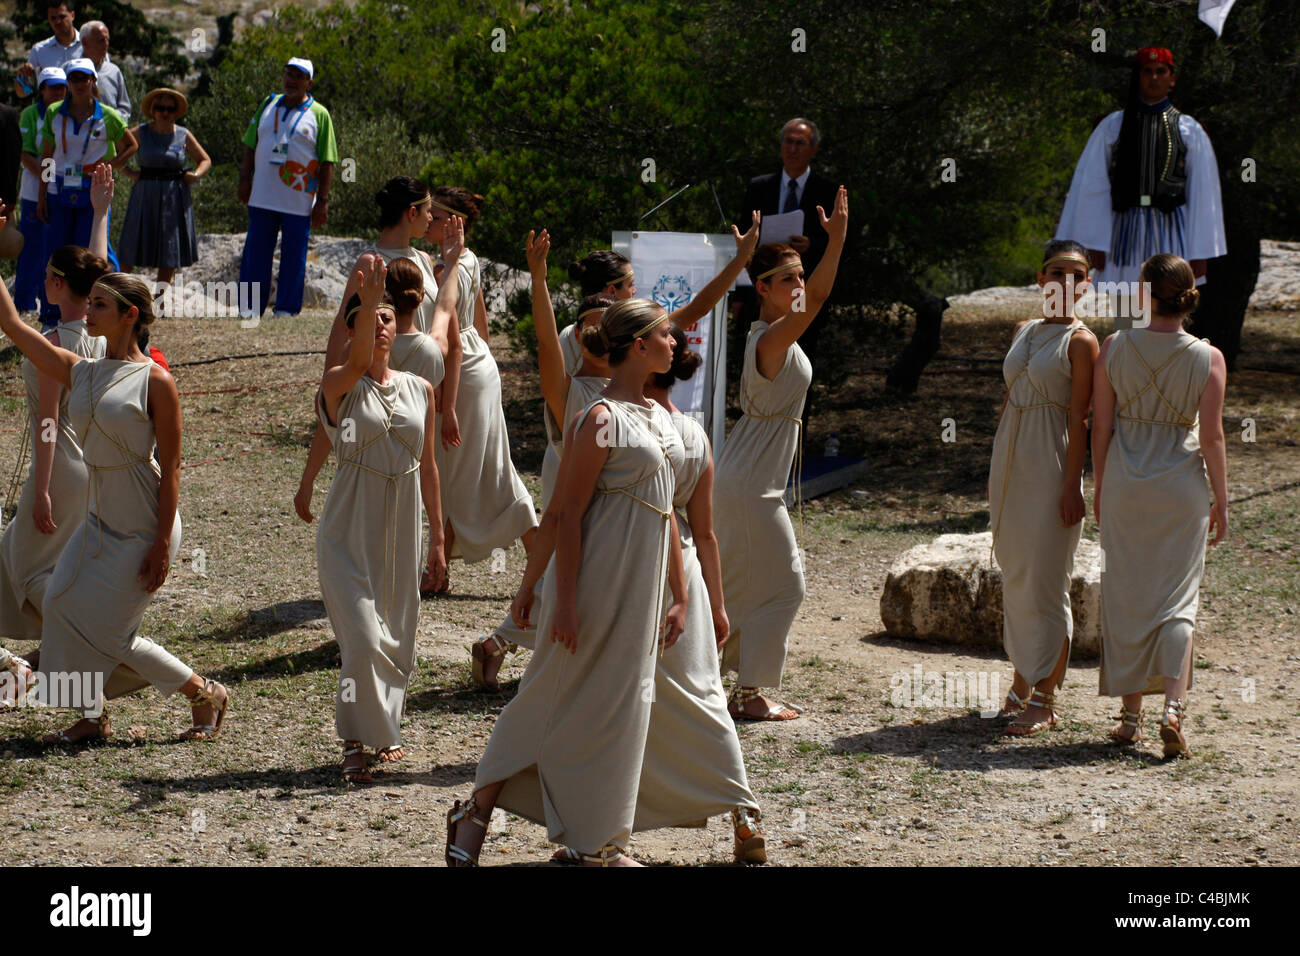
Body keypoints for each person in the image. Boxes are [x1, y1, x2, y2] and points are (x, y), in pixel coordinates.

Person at [445, 298, 688, 867]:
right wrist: (550, 596)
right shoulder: (599, 419)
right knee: (548, 696)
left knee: (621, 708)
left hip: (640, 584)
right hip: (595, 583)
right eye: (666, 336)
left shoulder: (654, 415)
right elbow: (563, 514)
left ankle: (598, 842)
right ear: (638, 346)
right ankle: (475, 809)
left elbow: (666, 512)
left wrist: (679, 594)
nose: (676, 343)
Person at [0, 240, 231, 745]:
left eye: (100, 305)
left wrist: (161, 544)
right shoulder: (78, 369)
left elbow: (170, 468)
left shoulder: (156, 381)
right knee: (60, 604)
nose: (89, 310)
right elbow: (14, 328)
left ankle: (204, 693)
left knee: (110, 631)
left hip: (146, 523)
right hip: (99, 521)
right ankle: (92, 715)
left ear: (128, 316)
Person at [315, 255, 450, 782]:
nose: (381, 324)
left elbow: (432, 468)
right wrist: (366, 298)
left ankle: (383, 724)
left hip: (402, 527)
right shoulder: (339, 384)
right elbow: (352, 364)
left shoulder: (421, 389)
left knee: (397, 633)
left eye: (389, 317)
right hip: (349, 527)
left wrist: (438, 538)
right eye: (369, 318)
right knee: (363, 638)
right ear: (351, 330)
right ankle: (353, 739)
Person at [715, 186, 848, 721]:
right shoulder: (768, 338)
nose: (797, 285)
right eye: (787, 278)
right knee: (786, 585)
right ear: (762, 289)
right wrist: (835, 243)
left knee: (741, 583)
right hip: (749, 482)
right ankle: (748, 694)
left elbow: (811, 303)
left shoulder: (777, 337)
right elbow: (816, 301)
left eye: (800, 275)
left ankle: (713, 680)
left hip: (749, 476)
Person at [1092, 254, 1228, 759]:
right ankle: (1173, 708)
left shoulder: (1114, 346)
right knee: (1178, 601)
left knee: (1127, 596)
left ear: (1147, 293)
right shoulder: (1208, 357)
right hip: (1181, 487)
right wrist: (1222, 499)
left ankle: (1130, 719)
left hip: (1127, 482)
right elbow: (1212, 438)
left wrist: (1101, 487)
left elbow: (1100, 427)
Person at [293, 179, 464, 552]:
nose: (433, 216)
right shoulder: (370, 263)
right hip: (372, 388)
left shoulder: (422, 260)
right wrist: (332, 385)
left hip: (417, 391)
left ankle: (426, 556)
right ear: (411, 212)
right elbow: (343, 334)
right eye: (428, 209)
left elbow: (448, 324)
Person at [0, 167, 110, 712]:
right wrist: (99, 213)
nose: (43, 279)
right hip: (93, 468)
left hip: (60, 467)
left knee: (26, 569)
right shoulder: (103, 333)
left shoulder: (50, 343)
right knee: (61, 563)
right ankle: (54, 655)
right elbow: (98, 270)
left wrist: (39, 490)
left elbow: (47, 422)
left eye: (49, 275)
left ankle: (63, 651)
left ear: (59, 285)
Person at [988, 240, 1099, 736]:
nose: (1065, 282)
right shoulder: (1022, 330)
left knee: (1047, 579)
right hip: (1009, 460)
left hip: (1052, 461)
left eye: (1076, 275)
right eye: (1057, 271)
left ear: (1087, 284)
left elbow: (1082, 418)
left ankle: (1047, 699)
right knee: (1015, 573)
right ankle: (1021, 684)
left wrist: (1073, 485)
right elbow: (1013, 397)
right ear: (1040, 278)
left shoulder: (1082, 342)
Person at [1055, 47, 1225, 322]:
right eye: (1147, 71)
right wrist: (1095, 243)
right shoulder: (1112, 126)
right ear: (1138, 76)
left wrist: (1200, 251)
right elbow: (1092, 186)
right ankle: (1128, 362)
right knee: (1127, 314)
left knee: (1169, 307)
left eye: (1161, 72)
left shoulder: (1190, 130)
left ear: (1172, 78)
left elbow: (1204, 194)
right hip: (1125, 232)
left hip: (1172, 229)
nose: (1154, 78)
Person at [424, 187, 537, 590]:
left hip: (463, 373)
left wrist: (449, 402)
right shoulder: (468, 260)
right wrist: (488, 365)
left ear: (456, 223)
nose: (427, 221)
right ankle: (436, 570)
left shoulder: (443, 270)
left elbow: (452, 341)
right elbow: (482, 318)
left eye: (435, 216)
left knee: (466, 470)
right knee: (473, 468)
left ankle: (540, 555)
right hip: (480, 364)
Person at [732, 118, 839, 366]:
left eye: (800, 143)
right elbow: (745, 243)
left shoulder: (827, 191)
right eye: (788, 142)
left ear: (813, 149)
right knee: (757, 358)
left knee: (800, 360)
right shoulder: (759, 187)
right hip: (763, 291)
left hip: (803, 292)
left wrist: (811, 244)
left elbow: (840, 244)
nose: (793, 149)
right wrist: (740, 295)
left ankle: (799, 408)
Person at [236, 57, 337, 318]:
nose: (292, 80)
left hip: (299, 200)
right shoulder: (268, 105)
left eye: (299, 76)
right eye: (288, 74)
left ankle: (286, 310)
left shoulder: (319, 114)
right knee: (255, 255)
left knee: (294, 257)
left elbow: (328, 161)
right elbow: (250, 145)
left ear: (309, 82)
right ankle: (249, 309)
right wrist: (244, 180)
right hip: (262, 196)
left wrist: (323, 201)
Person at [37, 58, 136, 273]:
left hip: (94, 189)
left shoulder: (108, 115)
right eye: (74, 77)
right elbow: (46, 158)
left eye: (85, 77)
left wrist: (111, 166)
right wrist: (42, 195)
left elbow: (131, 145)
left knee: (94, 251)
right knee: (57, 252)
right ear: (68, 81)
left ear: (93, 80)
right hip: (58, 188)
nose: (80, 83)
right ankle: (54, 306)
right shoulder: (54, 112)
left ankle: (111, 296)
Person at [118, 88, 210, 290]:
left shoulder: (183, 135)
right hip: (144, 193)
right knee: (131, 244)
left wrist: (195, 176)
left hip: (174, 195)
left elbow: (205, 159)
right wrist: (129, 173)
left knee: (169, 250)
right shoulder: (140, 132)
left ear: (176, 112)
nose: (165, 113)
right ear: (153, 110)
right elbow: (115, 149)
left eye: (169, 109)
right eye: (160, 108)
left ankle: (159, 301)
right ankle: (120, 294)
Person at [14, 68, 67, 322]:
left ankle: (50, 301)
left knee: (53, 249)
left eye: (61, 87)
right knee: (31, 247)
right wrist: (49, 178)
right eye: (52, 87)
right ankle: (24, 302)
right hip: (35, 191)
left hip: (62, 191)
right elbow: (25, 153)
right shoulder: (29, 115)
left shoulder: (67, 114)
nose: (57, 92)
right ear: (42, 89)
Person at [12, 2, 82, 102]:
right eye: (53, 18)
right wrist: (22, 78)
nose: (57, 21)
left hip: (84, 114)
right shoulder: (39, 50)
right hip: (51, 115)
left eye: (62, 17)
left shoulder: (89, 45)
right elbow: (24, 92)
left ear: (72, 15)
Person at [78, 21, 129, 121]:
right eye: (101, 40)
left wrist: (111, 119)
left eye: (107, 40)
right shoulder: (70, 71)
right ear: (85, 42)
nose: (106, 44)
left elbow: (124, 108)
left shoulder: (114, 71)